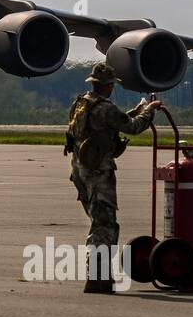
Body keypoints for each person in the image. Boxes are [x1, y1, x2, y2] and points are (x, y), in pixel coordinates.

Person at [64, 62, 161, 294]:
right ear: (107, 87)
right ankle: (97, 277)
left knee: (99, 222)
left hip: (81, 172)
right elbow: (134, 128)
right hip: (99, 174)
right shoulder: (105, 107)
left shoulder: (81, 104)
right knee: (104, 225)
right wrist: (150, 110)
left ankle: (99, 276)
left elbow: (107, 125)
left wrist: (137, 110)